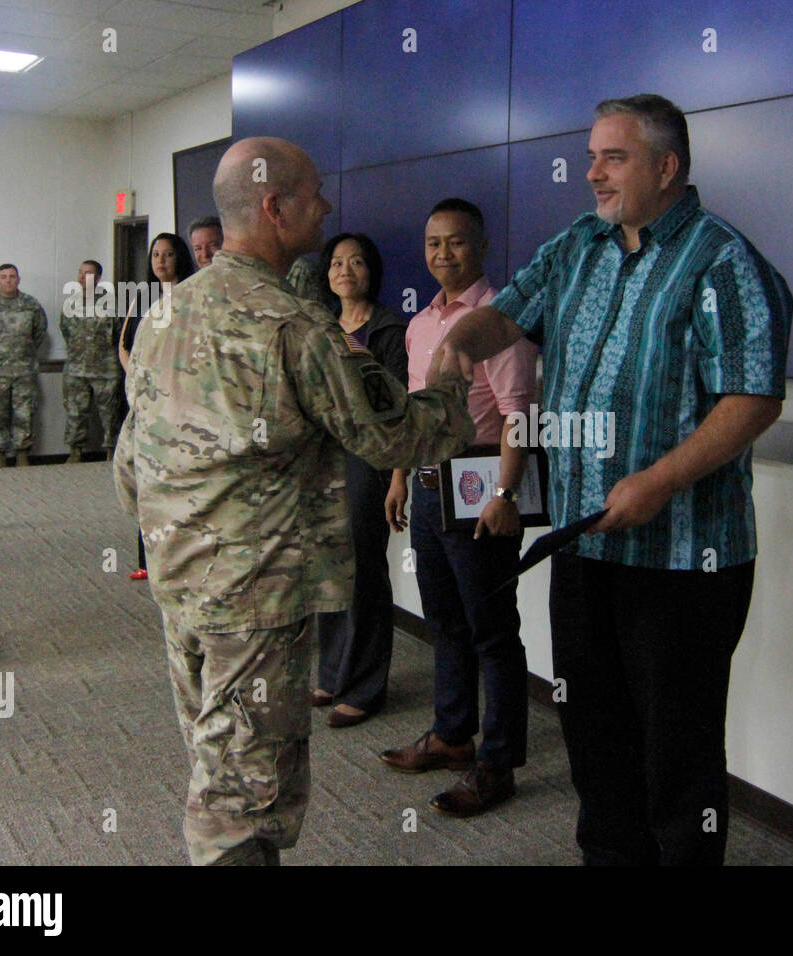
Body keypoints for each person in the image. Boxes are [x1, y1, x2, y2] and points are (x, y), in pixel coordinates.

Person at [429, 95, 792, 862]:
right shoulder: (577, 246)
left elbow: (753, 397)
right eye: (591, 155)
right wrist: (462, 338)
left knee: (676, 750)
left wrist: (659, 480)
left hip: (684, 559)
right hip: (585, 545)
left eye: (612, 157)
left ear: (667, 166)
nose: (591, 172)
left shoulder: (724, 260)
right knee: (594, 735)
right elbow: (510, 313)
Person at [113, 136, 475, 866]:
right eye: (313, 192)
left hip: (183, 582)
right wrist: (454, 377)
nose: (328, 205)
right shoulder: (294, 327)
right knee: (246, 801)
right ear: (275, 208)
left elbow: (131, 456)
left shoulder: (166, 313)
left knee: (215, 756)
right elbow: (396, 435)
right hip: (253, 599)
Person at [379, 199, 536, 817]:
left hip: (478, 480)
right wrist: (398, 479)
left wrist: (505, 495)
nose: (443, 254)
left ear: (481, 246)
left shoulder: (500, 320)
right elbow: (412, 409)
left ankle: (497, 764)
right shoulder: (422, 324)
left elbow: (519, 416)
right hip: (424, 480)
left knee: (493, 630)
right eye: (433, 243)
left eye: (457, 243)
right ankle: (451, 735)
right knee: (444, 618)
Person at [309, 233, 409, 729]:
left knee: (365, 572)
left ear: (371, 271)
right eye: (336, 262)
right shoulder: (320, 326)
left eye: (356, 262)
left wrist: (398, 478)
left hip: (369, 463)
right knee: (328, 570)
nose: (345, 270)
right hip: (324, 465)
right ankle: (331, 672)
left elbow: (399, 413)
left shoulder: (389, 328)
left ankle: (366, 686)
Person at [118, 233, 195, 580]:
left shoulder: (191, 295)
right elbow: (125, 345)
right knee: (145, 480)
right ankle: (147, 560)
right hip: (145, 401)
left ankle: (181, 557)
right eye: (156, 255)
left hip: (180, 402)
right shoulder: (143, 297)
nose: (161, 261)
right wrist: (138, 379)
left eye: (168, 254)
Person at [0, 264, 46, 468]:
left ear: (18, 279)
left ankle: (22, 454)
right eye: (3, 277)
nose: (8, 280)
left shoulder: (31, 304)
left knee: (25, 414)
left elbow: (39, 332)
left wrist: (22, 353)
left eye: (12, 276)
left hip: (24, 371)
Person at [60, 260, 121, 463]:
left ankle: (112, 452)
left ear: (97, 278)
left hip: (106, 369)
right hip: (76, 368)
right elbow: (66, 331)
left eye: (87, 273)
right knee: (75, 413)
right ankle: (75, 452)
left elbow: (120, 335)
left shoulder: (111, 304)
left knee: (110, 414)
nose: (81, 276)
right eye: (80, 272)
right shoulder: (70, 303)